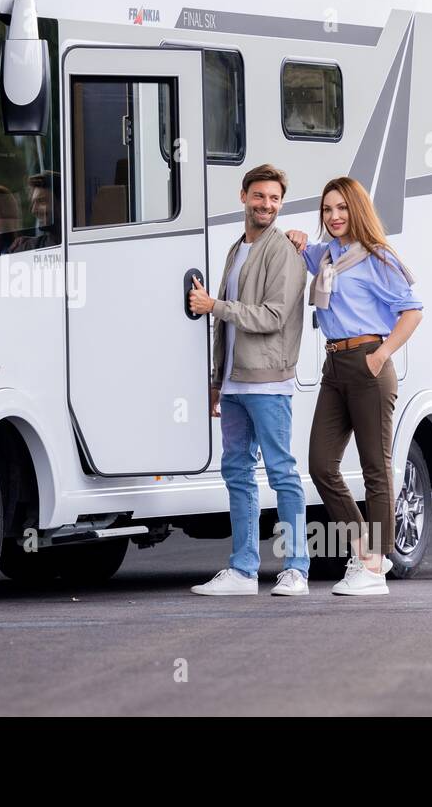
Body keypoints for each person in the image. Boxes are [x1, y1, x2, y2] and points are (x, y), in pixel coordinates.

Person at [285, 177, 424, 596]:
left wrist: (380, 356)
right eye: (327, 209)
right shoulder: (326, 255)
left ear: (357, 210)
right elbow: (301, 250)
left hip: (368, 363)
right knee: (321, 465)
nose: (334, 216)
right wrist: (294, 237)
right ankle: (363, 549)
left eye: (342, 208)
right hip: (334, 365)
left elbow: (413, 312)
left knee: (375, 468)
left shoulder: (377, 258)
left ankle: (376, 567)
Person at [187, 164, 311, 596]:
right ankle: (242, 570)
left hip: (269, 382)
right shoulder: (237, 248)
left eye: (275, 198)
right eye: (259, 196)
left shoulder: (285, 252)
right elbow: (226, 330)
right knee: (237, 472)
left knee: (282, 473)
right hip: (236, 383)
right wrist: (216, 380)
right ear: (243, 197)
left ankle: (296, 568)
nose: (267, 205)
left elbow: (274, 316)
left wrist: (214, 305)